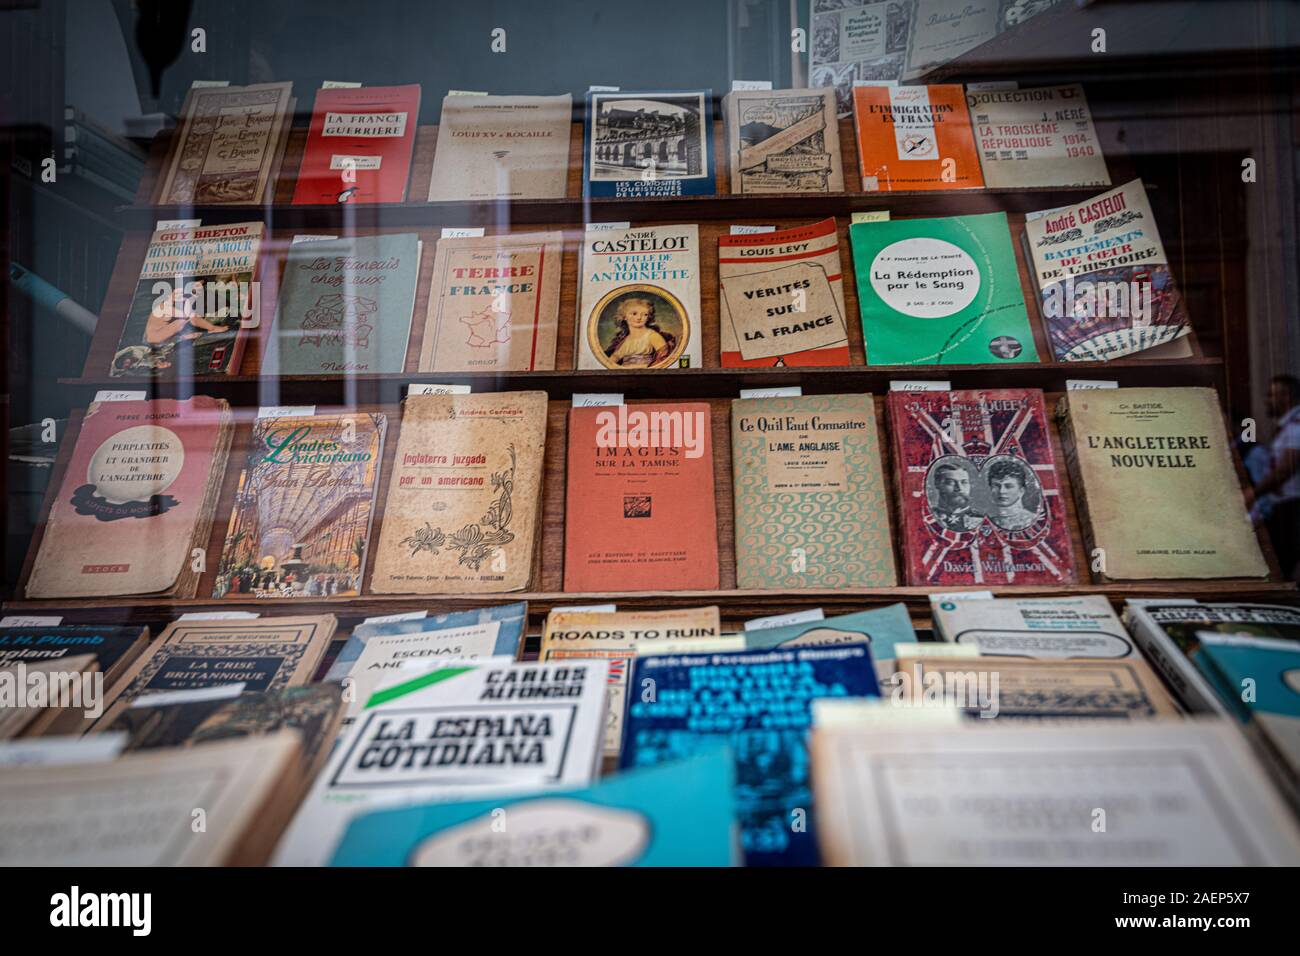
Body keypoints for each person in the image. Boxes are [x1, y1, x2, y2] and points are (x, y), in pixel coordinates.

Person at [1252, 374, 1300, 578]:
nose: (1267, 401)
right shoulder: (1288, 426)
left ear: (1286, 397)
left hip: (1292, 506)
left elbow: (1284, 469)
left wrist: (1252, 493)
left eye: (1271, 395)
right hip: (1284, 505)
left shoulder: (1296, 427)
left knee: (1279, 565)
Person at [604, 297, 676, 367]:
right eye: (634, 314)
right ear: (624, 317)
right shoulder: (624, 340)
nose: (639, 318)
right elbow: (611, 362)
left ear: (648, 317)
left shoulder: (652, 336)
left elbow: (664, 360)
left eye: (645, 314)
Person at [986, 459, 1038, 530]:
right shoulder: (988, 522)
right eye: (997, 486)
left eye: (1008, 486)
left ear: (1021, 491)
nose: (1001, 491)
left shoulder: (1033, 521)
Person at [931, 462, 982, 531]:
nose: (959, 488)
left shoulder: (981, 520)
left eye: (964, 482)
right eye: (950, 482)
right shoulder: (929, 517)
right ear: (937, 484)